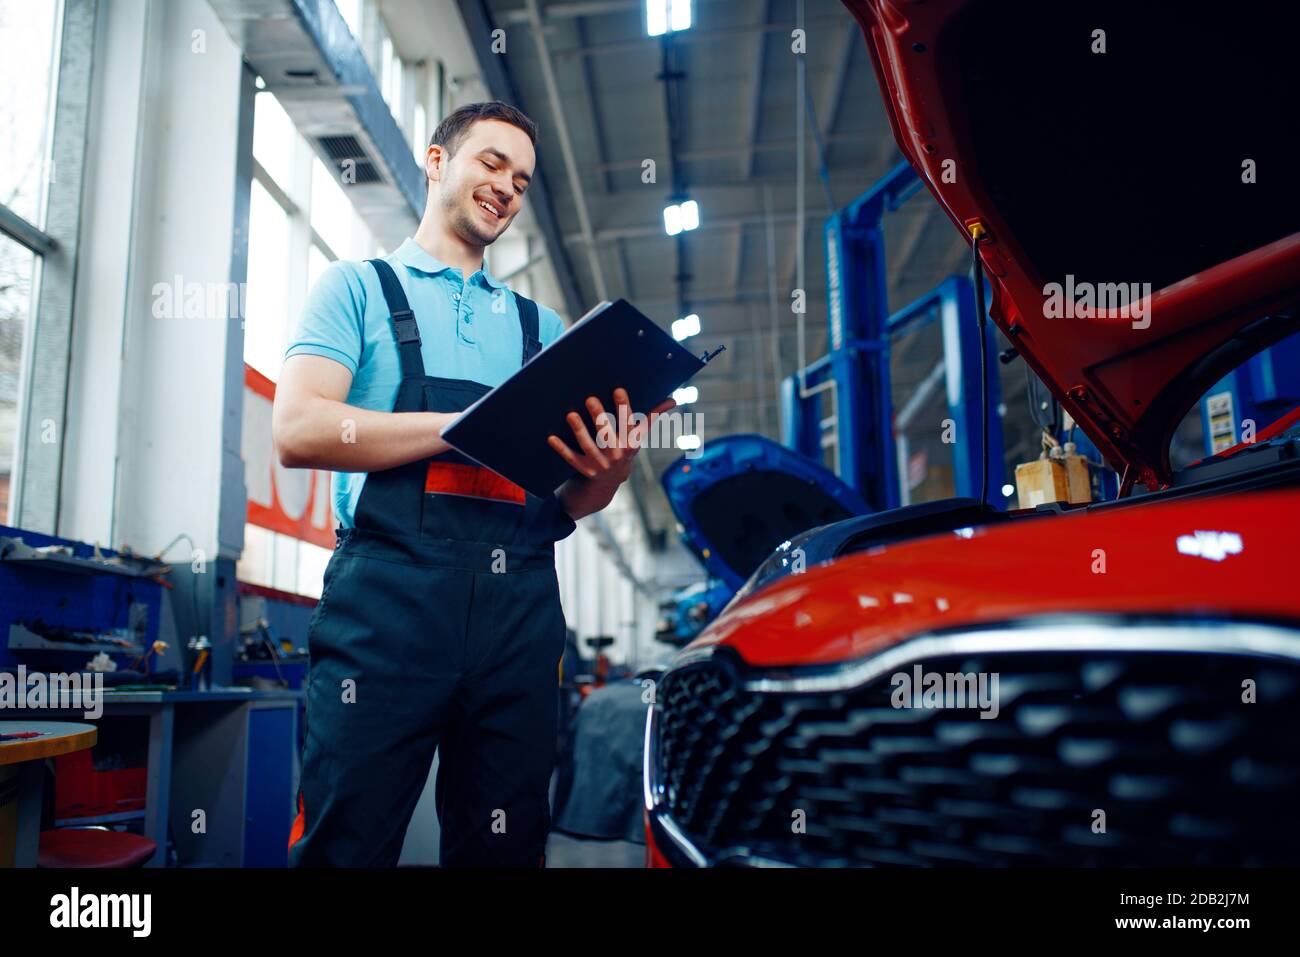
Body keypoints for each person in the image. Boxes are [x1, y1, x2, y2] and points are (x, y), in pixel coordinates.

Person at [273, 101, 672, 866]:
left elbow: (571, 503)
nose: (507, 188)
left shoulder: (545, 332)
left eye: (521, 180)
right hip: (383, 612)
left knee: (505, 847)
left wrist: (611, 467)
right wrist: (469, 424)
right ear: (436, 161)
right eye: (491, 163)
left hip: (517, 615)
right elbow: (299, 430)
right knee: (345, 842)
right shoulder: (356, 289)